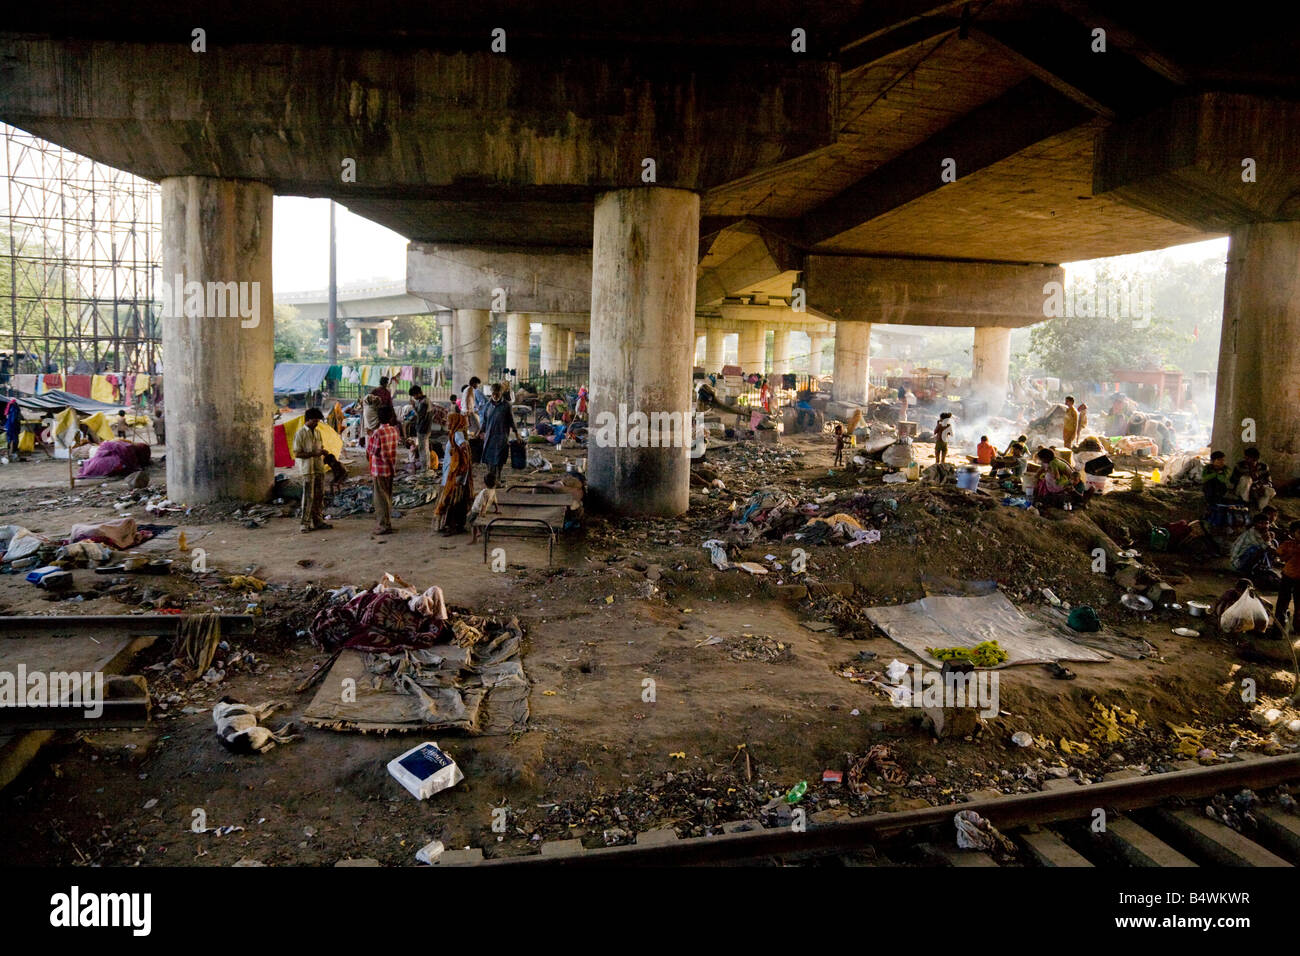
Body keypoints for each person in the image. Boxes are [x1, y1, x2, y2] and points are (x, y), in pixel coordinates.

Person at [292, 407, 333, 534]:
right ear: (307, 420)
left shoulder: (317, 433)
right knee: (308, 497)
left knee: (319, 496)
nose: (316, 423)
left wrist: (323, 452)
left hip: (318, 468)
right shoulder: (300, 434)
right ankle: (304, 523)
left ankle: (318, 521)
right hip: (307, 470)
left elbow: (319, 448)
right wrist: (314, 453)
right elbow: (297, 453)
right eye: (315, 421)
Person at [434, 411, 474, 535]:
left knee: (452, 500)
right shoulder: (456, 434)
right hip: (454, 472)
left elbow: (464, 449)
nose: (447, 422)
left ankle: (452, 526)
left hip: (456, 474)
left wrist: (460, 472)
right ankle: (458, 525)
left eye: (449, 420)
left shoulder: (457, 435)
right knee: (458, 500)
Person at [367, 405, 401, 535]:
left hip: (379, 470)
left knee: (380, 499)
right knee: (387, 496)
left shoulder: (378, 433)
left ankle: (383, 525)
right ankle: (387, 523)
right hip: (390, 468)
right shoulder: (393, 430)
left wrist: (370, 436)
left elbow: (373, 451)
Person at [479, 382, 519, 485]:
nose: (495, 396)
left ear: (501, 393)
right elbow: (484, 421)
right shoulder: (487, 406)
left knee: (499, 459)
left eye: (498, 393)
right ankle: (491, 479)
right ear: (491, 393)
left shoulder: (506, 406)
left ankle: (497, 478)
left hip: (501, 436)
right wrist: (480, 432)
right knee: (489, 459)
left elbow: (512, 421)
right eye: (493, 394)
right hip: (489, 437)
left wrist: (517, 434)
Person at [1231, 447, 1276, 511]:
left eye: (1249, 458)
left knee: (1270, 491)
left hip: (1257, 490)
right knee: (1246, 479)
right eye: (1246, 457)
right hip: (1242, 491)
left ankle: (1261, 508)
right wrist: (1247, 478)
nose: (1246, 460)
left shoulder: (1264, 467)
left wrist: (1261, 486)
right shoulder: (1240, 466)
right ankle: (1245, 503)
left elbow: (1269, 482)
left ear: (1256, 459)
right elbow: (1232, 480)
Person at [1276, 520, 1300, 633]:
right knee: (1282, 602)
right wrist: (1293, 552)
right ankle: (1279, 628)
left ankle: (1298, 628)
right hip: (1287, 576)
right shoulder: (1288, 544)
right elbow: (1281, 558)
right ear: (1293, 533)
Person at [469, 472, 501, 544]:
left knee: (472, 523)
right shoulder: (493, 491)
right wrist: (497, 510)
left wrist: (482, 512)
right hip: (482, 510)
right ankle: (481, 533)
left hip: (477, 510)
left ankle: (474, 539)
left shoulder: (485, 492)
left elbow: (483, 503)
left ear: (485, 483)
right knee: (481, 523)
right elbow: (495, 501)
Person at [408, 385, 432, 470]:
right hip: (425, 428)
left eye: (414, 396)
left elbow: (420, 416)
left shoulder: (424, 402)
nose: (414, 398)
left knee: (423, 449)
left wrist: (414, 407)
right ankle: (427, 466)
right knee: (425, 448)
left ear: (418, 393)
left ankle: (425, 468)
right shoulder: (424, 400)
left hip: (423, 428)